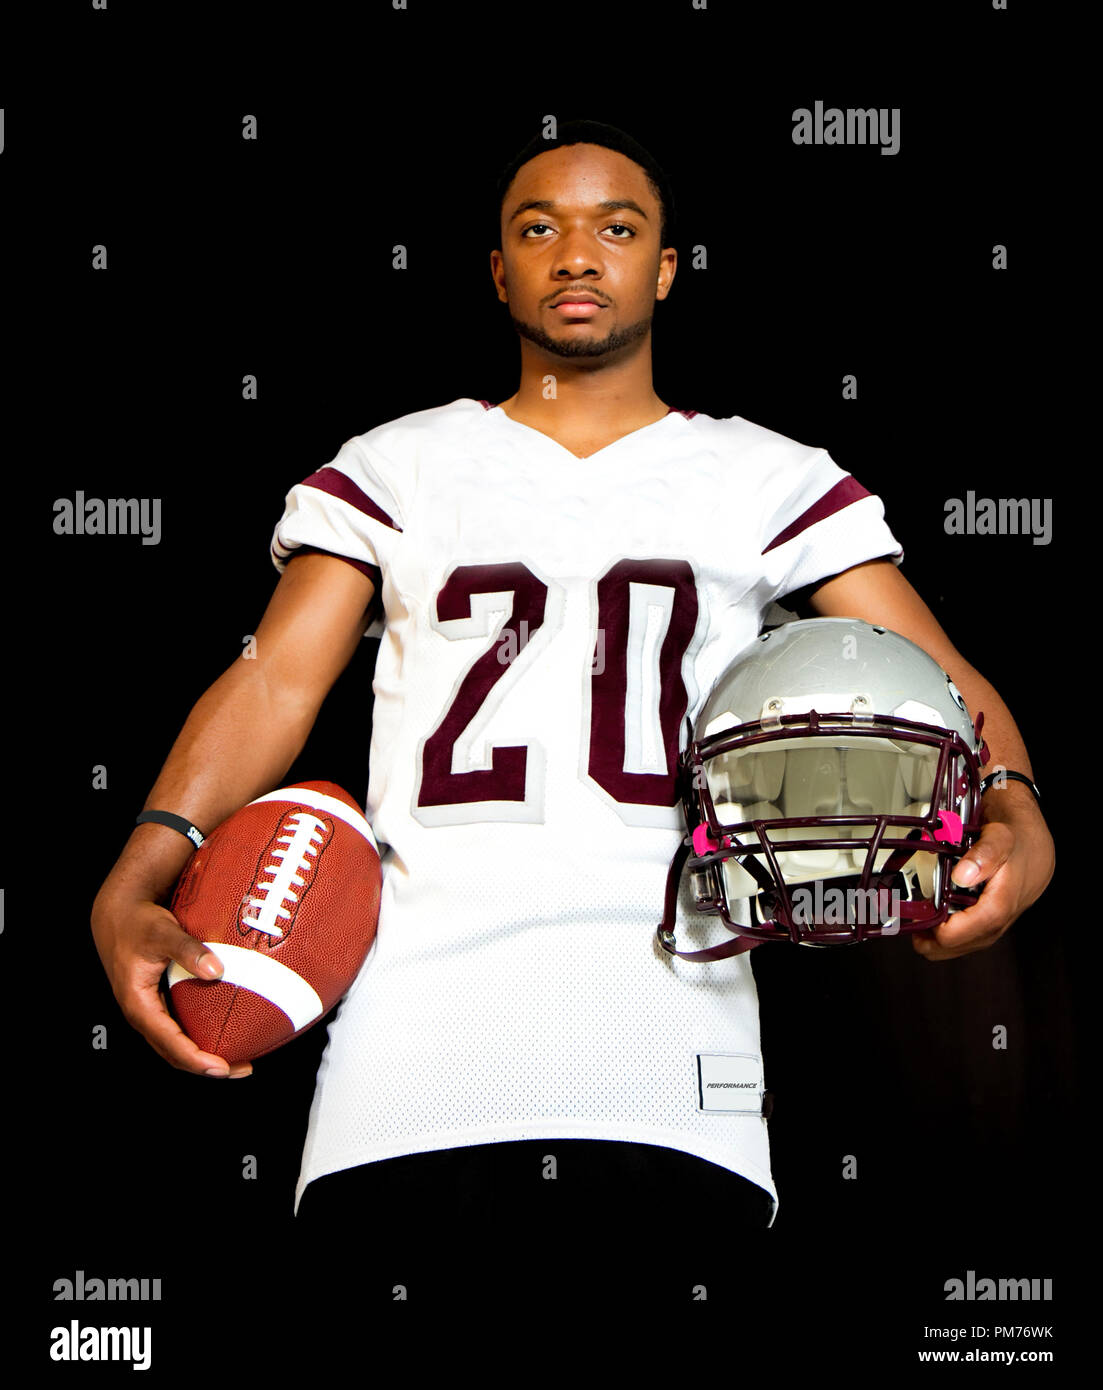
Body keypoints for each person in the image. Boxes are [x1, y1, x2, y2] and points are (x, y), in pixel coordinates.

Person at [89, 121, 1054, 1247]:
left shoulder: (769, 477)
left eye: (617, 226)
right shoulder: (395, 465)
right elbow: (272, 685)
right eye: (538, 228)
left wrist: (1018, 815)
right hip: (406, 1054)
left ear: (664, 268)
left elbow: (935, 680)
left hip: (679, 1057)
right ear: (499, 271)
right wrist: (138, 871)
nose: (577, 254)